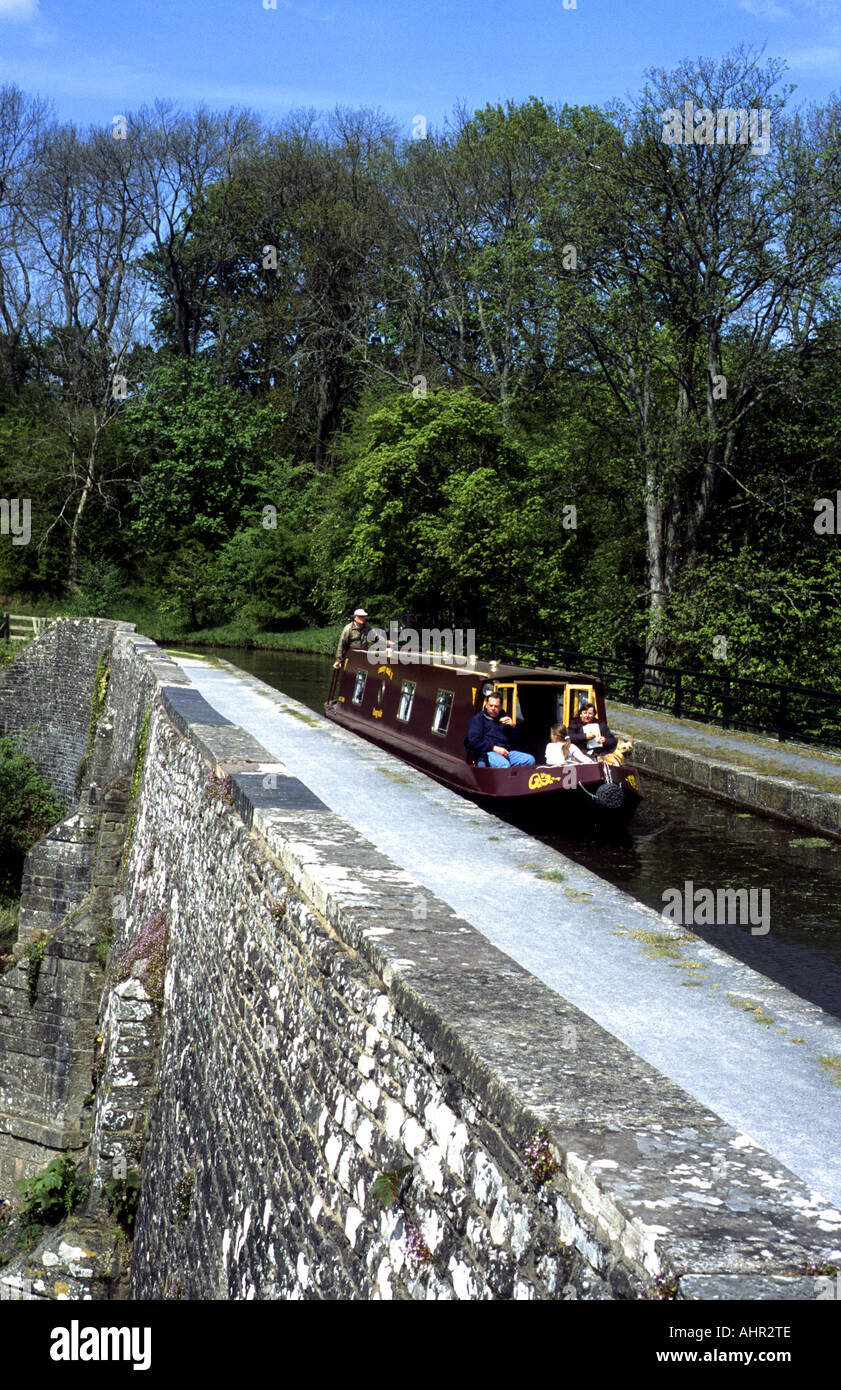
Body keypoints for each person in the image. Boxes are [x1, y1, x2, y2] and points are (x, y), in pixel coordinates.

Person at [466, 692, 536, 768]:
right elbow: (474, 741)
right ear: (486, 705)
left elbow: (515, 742)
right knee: (504, 765)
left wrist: (512, 727)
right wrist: (494, 748)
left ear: (501, 707)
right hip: (488, 752)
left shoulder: (505, 718)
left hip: (506, 752)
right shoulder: (478, 719)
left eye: (496, 706)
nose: (493, 708)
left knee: (530, 760)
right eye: (491, 705)